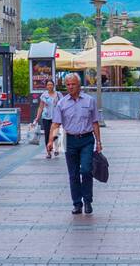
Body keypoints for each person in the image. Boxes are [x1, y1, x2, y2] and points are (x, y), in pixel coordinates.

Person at [54, 72, 102, 216]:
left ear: (79, 85)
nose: (70, 87)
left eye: (73, 84)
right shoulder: (61, 103)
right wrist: (53, 143)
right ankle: (77, 203)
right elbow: (56, 124)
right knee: (73, 174)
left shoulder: (89, 100)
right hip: (69, 140)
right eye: (68, 84)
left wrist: (99, 142)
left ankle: (88, 201)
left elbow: (95, 122)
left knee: (86, 170)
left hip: (87, 139)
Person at [33, 79, 61, 159]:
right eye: (48, 85)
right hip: (46, 117)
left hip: (56, 118)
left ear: (54, 85)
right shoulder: (44, 95)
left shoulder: (58, 95)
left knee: (55, 134)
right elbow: (41, 107)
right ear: (46, 86)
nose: (50, 86)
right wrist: (37, 117)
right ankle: (48, 152)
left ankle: (56, 149)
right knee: (47, 135)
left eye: (51, 84)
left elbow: (62, 106)